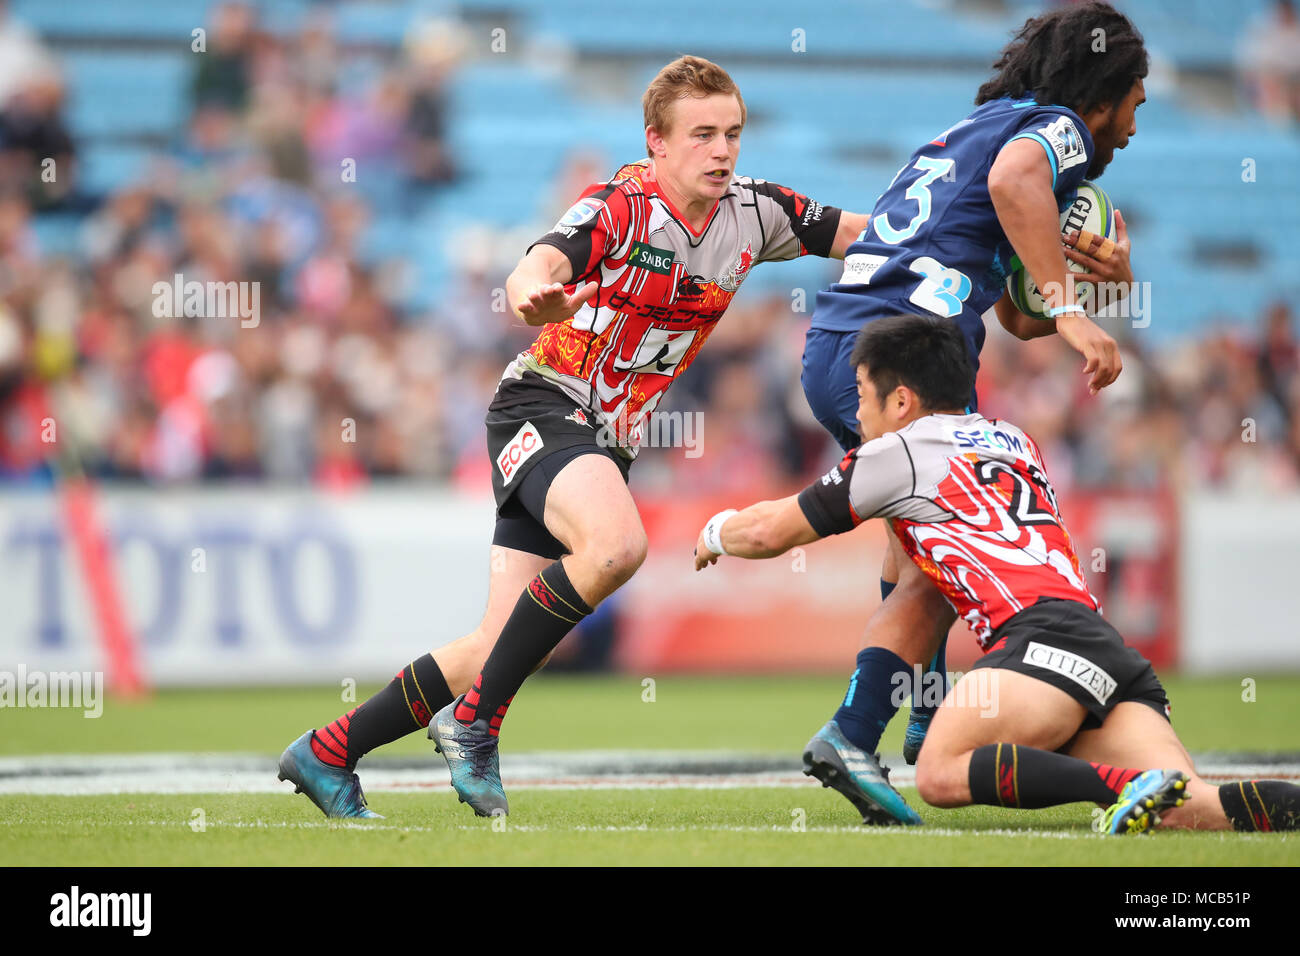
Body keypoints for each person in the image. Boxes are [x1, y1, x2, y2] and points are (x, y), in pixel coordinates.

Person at [279, 54, 869, 818]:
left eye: (732, 134)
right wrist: (533, 294)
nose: (722, 151)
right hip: (542, 405)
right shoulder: (620, 206)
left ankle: (327, 752)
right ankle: (474, 725)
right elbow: (540, 261)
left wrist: (977, 238)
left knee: (496, 643)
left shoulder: (759, 213)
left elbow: (870, 236)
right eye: (701, 135)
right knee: (616, 546)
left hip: (600, 440)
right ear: (656, 142)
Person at [695, 314, 1300, 834]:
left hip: (1040, 646)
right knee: (1189, 802)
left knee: (937, 770)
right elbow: (926, 561)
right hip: (1109, 653)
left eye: (861, 391)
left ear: (901, 400)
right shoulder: (1014, 438)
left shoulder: (899, 452)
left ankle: (1118, 787)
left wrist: (715, 531)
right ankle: (1144, 787)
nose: (855, 408)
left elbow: (773, 530)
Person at [795, 0, 1147, 823]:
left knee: (927, 549)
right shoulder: (1051, 131)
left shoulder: (979, 126)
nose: (1133, 126)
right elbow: (1015, 184)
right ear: (1103, 90)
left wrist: (1081, 288)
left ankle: (919, 715)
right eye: (1135, 100)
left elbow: (1012, 314)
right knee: (948, 551)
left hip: (857, 347)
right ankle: (858, 732)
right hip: (893, 363)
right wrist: (1069, 307)